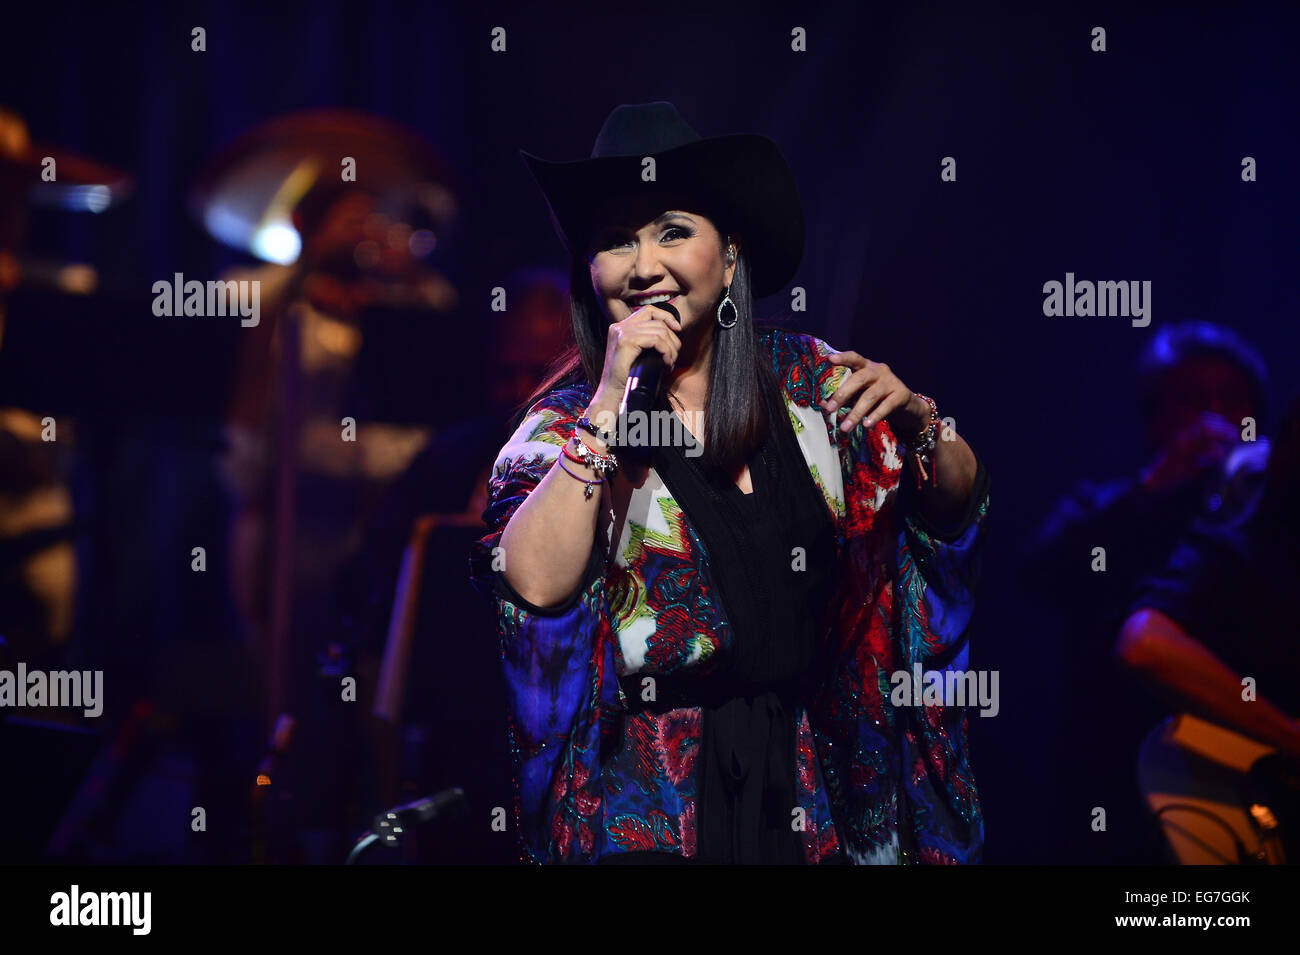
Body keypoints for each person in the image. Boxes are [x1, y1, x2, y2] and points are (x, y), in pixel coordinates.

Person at [469, 102, 991, 864]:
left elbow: (953, 511)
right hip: (649, 812)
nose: (644, 264)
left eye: (671, 230)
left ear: (731, 253)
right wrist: (608, 409)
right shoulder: (560, 430)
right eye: (616, 240)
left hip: (810, 795)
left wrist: (922, 424)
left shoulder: (808, 382)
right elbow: (534, 592)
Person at [1023, 320, 1269, 863]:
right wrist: (1156, 487)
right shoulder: (1104, 505)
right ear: (1154, 417)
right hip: (1114, 779)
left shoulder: (1266, 520)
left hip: (1243, 783)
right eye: (1191, 399)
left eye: (1231, 399)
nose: (1213, 416)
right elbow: (1041, 574)